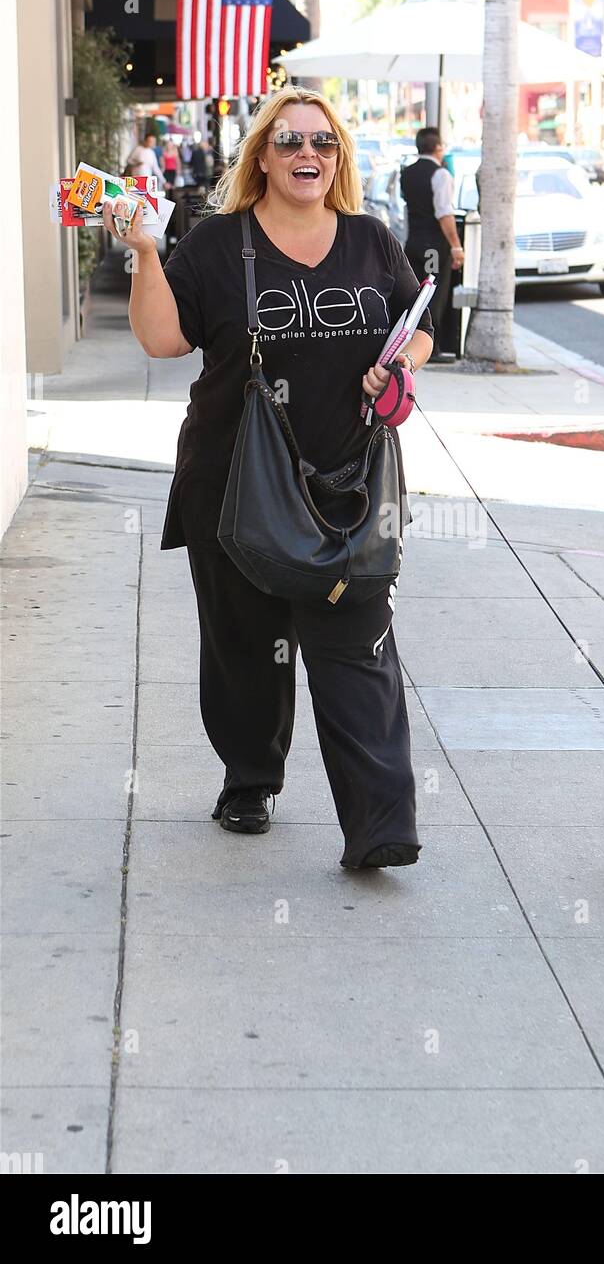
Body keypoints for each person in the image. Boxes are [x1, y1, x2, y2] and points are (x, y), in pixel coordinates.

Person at [102, 88, 434, 869]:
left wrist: (399, 366)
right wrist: (146, 252)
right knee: (247, 647)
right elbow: (161, 338)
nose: (306, 154)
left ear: (339, 156)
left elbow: (411, 328)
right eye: (288, 142)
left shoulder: (370, 241)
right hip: (234, 485)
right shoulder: (218, 245)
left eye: (322, 142)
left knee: (357, 651)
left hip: (348, 488)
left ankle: (382, 828)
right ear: (262, 155)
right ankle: (250, 778)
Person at [400, 126, 464, 361]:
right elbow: (444, 213)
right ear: (438, 148)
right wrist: (456, 246)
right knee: (434, 294)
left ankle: (409, 342)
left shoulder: (406, 173)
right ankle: (432, 347)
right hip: (435, 246)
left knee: (415, 294)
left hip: (413, 242)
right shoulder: (441, 175)